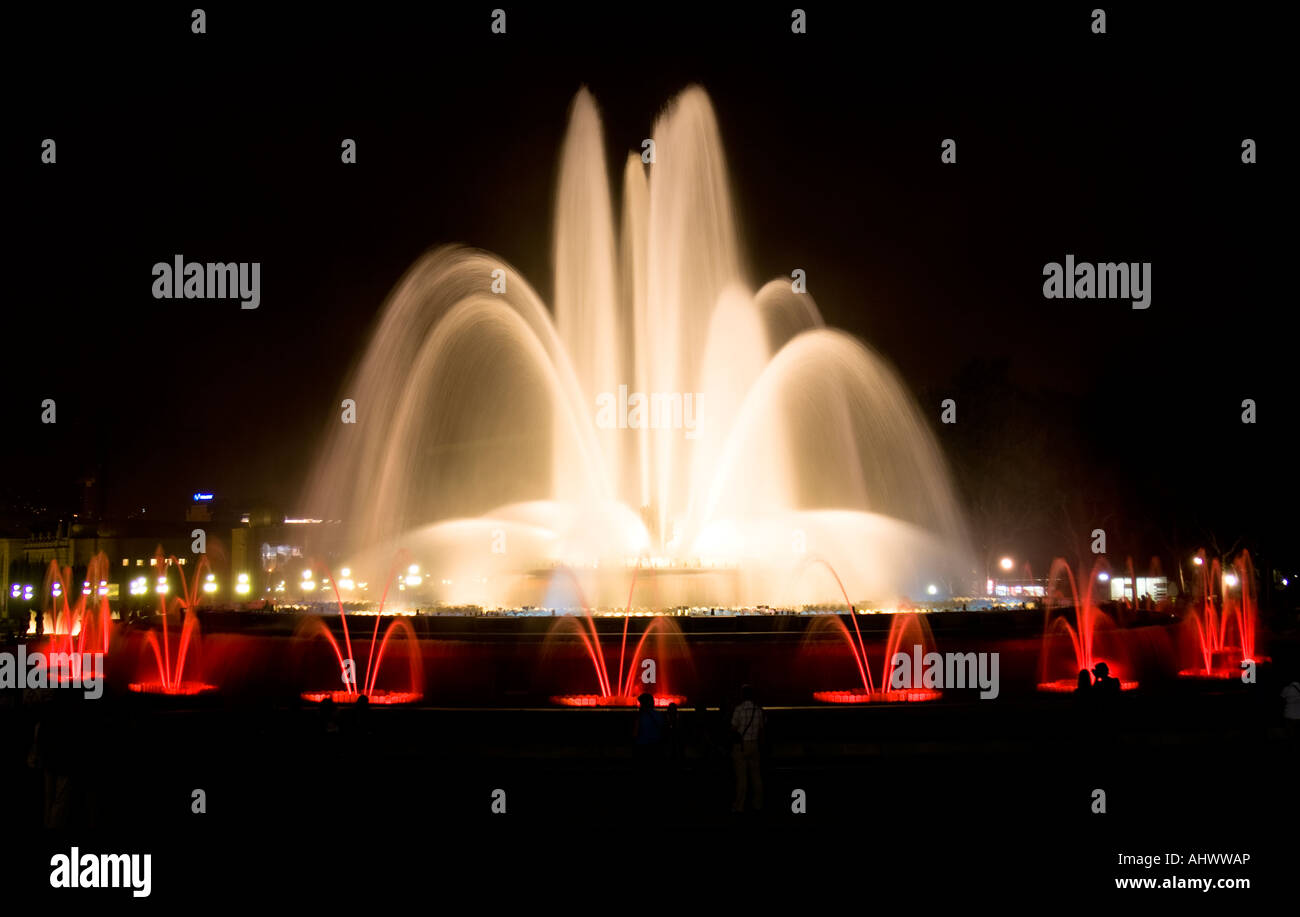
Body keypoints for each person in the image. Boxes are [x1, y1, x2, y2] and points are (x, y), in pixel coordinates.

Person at [730, 684, 765, 813]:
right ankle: (758, 803)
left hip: (741, 746)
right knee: (756, 777)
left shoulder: (738, 710)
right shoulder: (758, 710)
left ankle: (739, 806)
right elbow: (761, 728)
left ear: (742, 695)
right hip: (754, 745)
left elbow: (733, 728)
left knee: (741, 778)